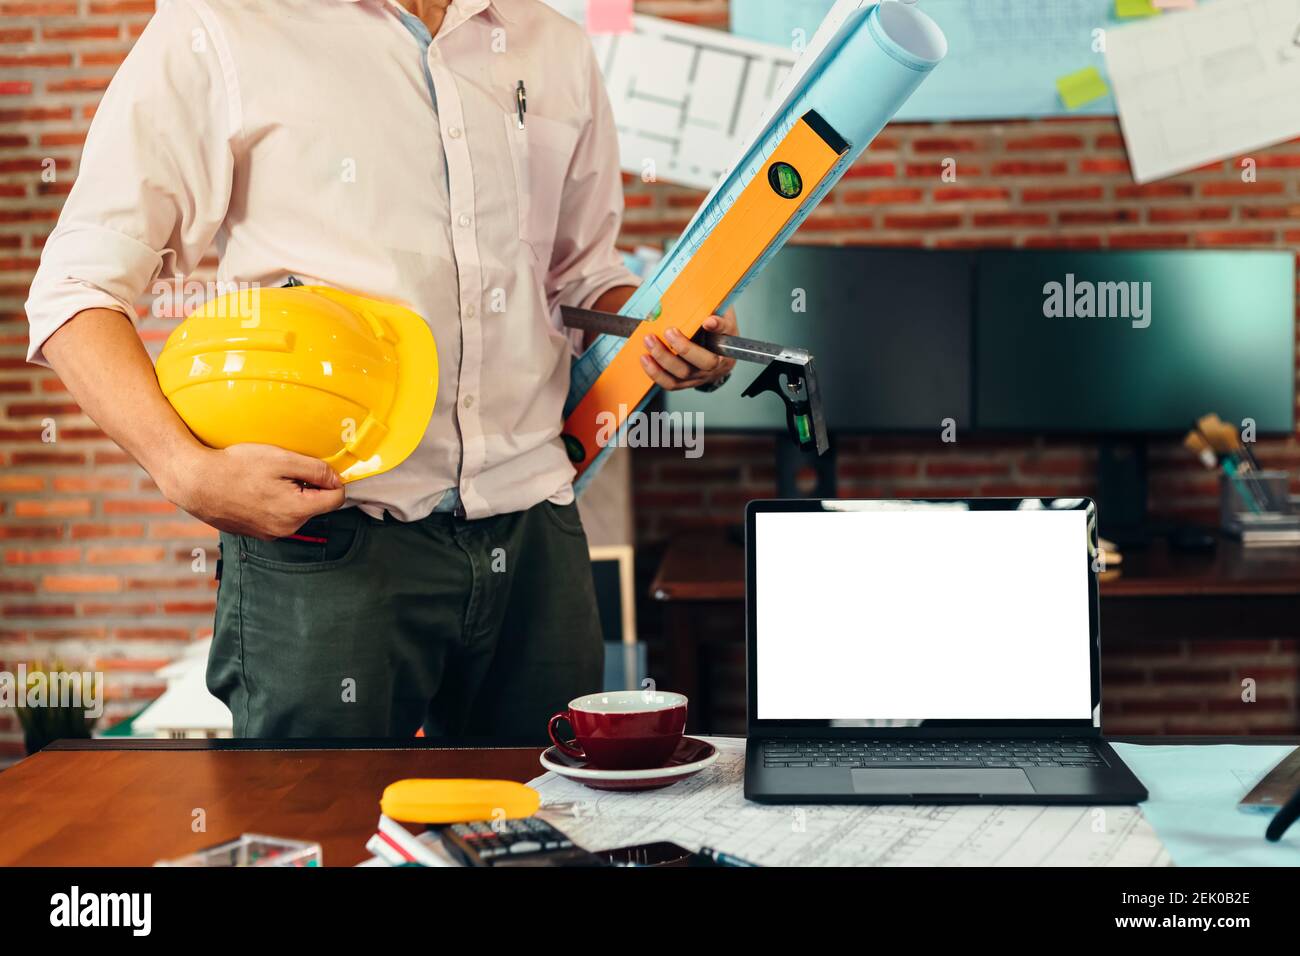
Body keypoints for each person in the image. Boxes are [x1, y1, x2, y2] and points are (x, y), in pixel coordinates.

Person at [24, 0, 735, 740]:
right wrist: (184, 470)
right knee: (324, 837)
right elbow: (78, 290)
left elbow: (583, 277)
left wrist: (675, 334)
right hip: (329, 540)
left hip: (535, 537)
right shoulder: (225, 23)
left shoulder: (553, 43)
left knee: (548, 833)